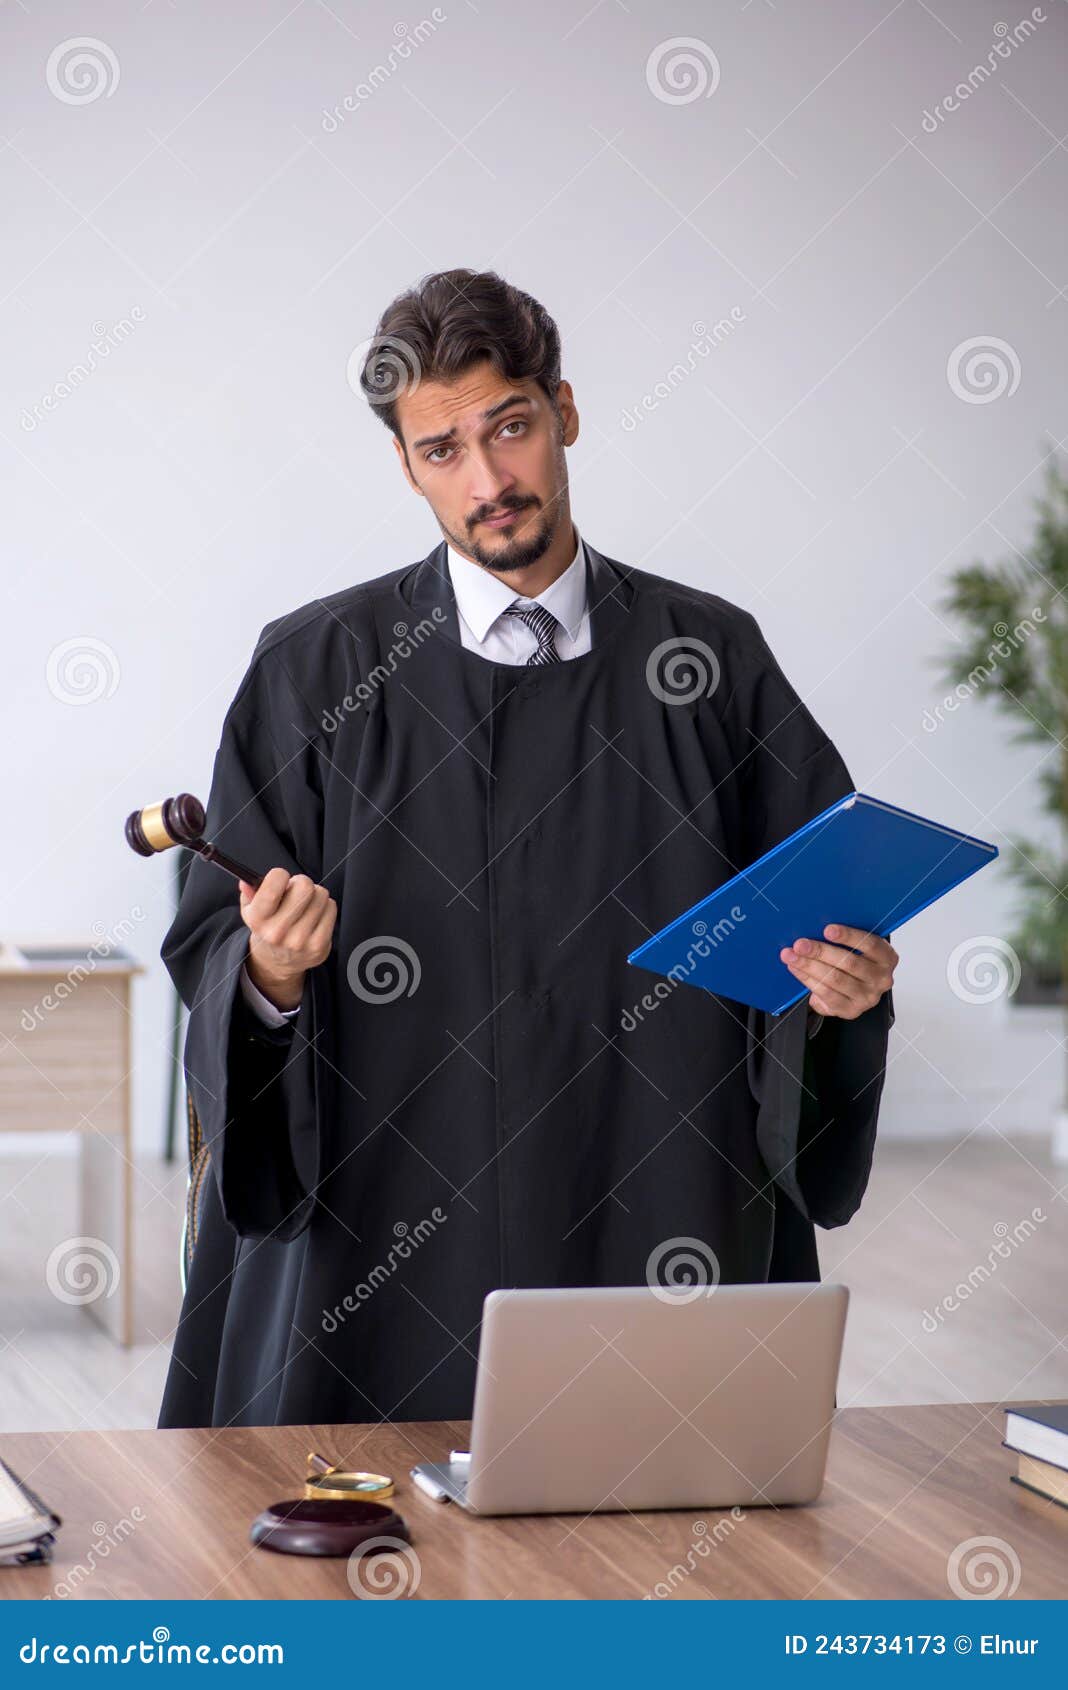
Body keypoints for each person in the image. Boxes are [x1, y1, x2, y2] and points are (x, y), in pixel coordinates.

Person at [158, 268, 897, 1429]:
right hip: (376, 1238)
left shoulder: (711, 663)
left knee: (664, 1514)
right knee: (349, 1527)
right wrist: (270, 973)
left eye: (511, 427)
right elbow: (218, 948)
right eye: (443, 448)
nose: (489, 480)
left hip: (658, 1199)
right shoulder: (313, 672)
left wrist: (844, 987)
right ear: (406, 466)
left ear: (566, 413)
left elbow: (823, 913)